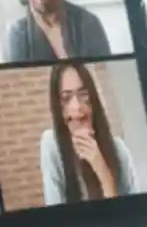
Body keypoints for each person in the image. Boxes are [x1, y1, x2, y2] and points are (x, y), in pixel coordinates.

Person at [39, 61, 137, 205]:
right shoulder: (51, 145)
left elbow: (133, 216)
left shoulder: (119, 150)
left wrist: (103, 172)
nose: (77, 107)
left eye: (83, 94)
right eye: (66, 98)